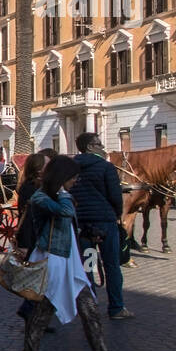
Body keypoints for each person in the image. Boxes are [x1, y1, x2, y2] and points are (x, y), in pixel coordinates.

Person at [19, 155, 144, 351]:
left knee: (91, 311)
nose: (76, 182)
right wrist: (65, 195)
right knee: (41, 315)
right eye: (74, 178)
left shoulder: (58, 197)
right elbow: (65, 213)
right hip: (52, 261)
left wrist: (88, 232)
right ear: (62, 177)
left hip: (69, 261)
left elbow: (69, 225)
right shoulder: (42, 197)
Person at [70, 133, 132, 320]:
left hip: (83, 223)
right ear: (89, 147)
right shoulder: (106, 167)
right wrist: (118, 214)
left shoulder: (72, 168)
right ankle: (116, 307)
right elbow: (114, 195)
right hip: (104, 221)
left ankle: (91, 304)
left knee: (88, 265)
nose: (102, 147)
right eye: (98, 144)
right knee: (112, 265)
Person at [13, 149, 57, 327]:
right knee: (41, 277)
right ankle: (30, 309)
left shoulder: (33, 187)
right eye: (47, 165)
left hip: (36, 237)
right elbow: (30, 218)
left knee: (41, 277)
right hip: (34, 238)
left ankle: (32, 310)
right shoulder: (32, 189)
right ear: (39, 170)